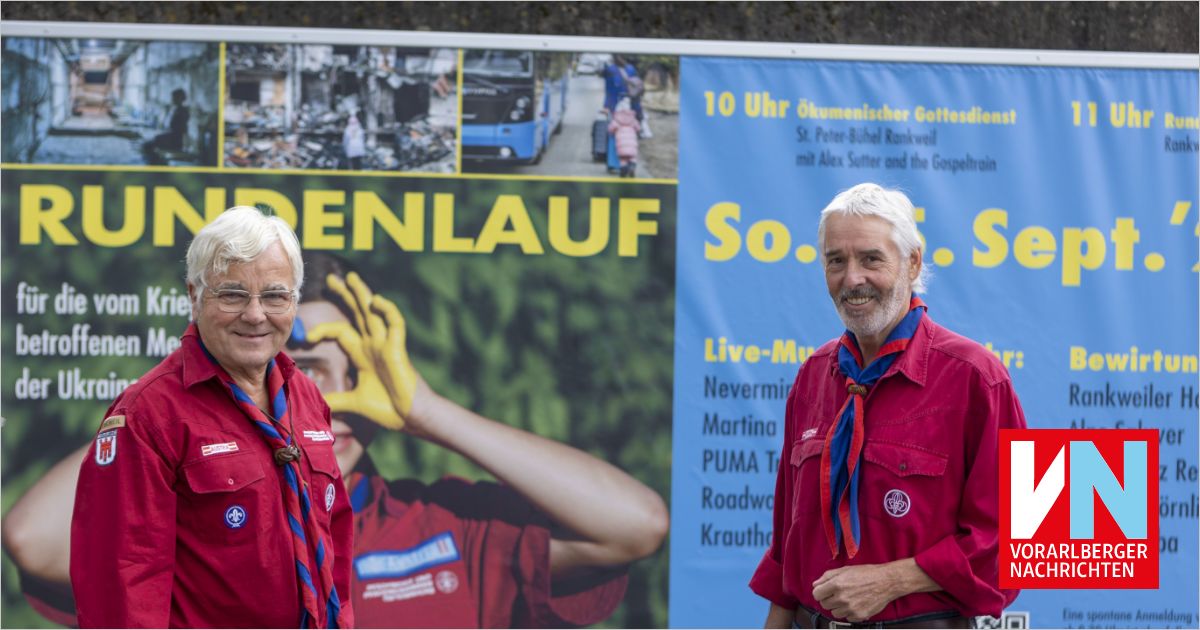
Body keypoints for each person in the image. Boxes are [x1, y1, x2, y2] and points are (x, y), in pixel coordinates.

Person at [4, 252, 670, 628]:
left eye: (364, 371)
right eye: (310, 368)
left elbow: (634, 524)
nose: (340, 397)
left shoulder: (445, 526)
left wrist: (429, 412)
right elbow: (36, 540)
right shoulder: (191, 536)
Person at [749, 183, 1026, 629]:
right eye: (836, 260)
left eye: (871, 258)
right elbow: (788, 543)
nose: (852, 278)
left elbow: (1013, 545)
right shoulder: (813, 376)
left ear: (912, 262)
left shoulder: (977, 376)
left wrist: (893, 580)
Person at [67, 207, 353, 628]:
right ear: (194, 296)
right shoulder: (149, 413)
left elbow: (335, 545)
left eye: (275, 295)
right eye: (233, 294)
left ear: (293, 302)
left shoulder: (307, 397)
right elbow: (122, 582)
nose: (255, 315)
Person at [142, 88, 189, 164]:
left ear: (179, 98)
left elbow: (179, 130)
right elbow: (171, 126)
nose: (172, 99)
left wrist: (164, 134)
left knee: (149, 145)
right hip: (172, 136)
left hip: (175, 140)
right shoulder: (176, 109)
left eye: (174, 97)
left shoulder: (182, 111)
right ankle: (154, 163)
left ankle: (155, 165)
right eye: (172, 97)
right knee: (150, 142)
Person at [607, 97, 641, 177]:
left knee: (623, 158)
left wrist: (612, 131)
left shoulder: (616, 120)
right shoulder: (632, 119)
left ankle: (623, 170)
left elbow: (610, 129)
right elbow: (638, 128)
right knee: (632, 156)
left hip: (621, 144)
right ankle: (632, 165)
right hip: (632, 143)